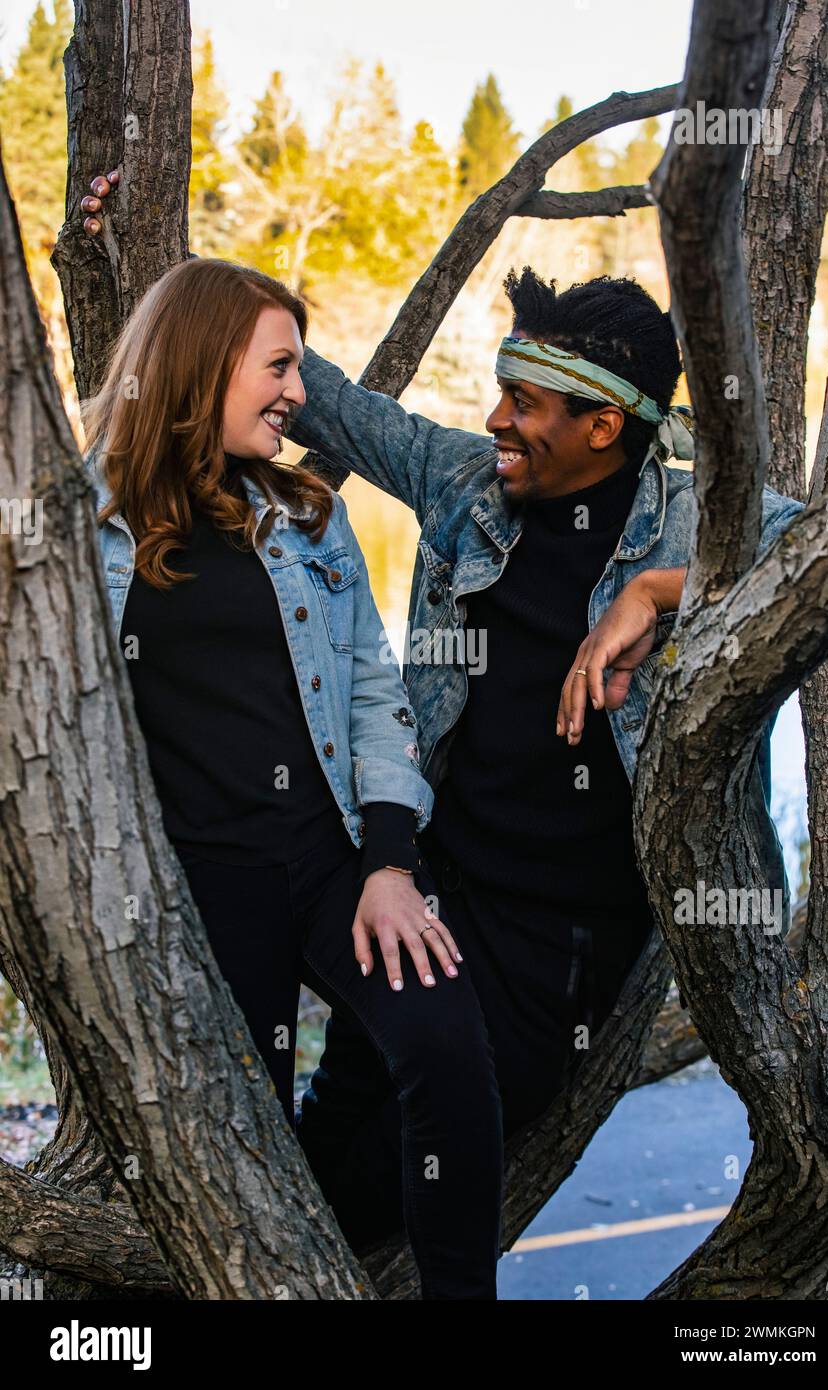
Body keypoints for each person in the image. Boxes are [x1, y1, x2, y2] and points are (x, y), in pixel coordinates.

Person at [81, 171, 803, 1255]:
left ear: (603, 425)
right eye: (500, 391)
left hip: (558, 936)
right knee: (322, 1142)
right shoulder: (465, 482)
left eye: (523, 404)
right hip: (420, 883)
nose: (493, 419)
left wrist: (656, 594)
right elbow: (308, 389)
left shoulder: (699, 518)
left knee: (383, 1193)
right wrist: (126, 245)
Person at [78, 251, 504, 1301]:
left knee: (448, 1054)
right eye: (277, 367)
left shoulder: (305, 515)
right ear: (202, 363)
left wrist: (390, 861)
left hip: (331, 862)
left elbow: (370, 690)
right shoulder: (77, 523)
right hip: (196, 893)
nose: (298, 395)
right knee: (248, 1155)